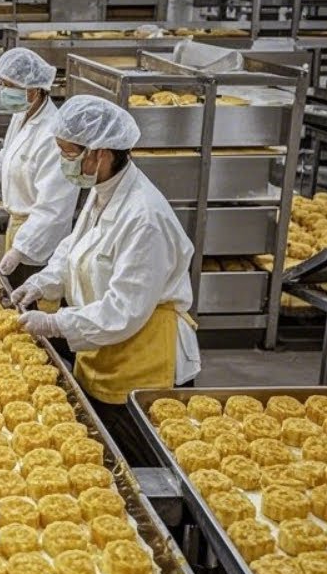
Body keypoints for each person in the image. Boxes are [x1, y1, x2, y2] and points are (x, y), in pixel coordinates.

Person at [10, 94, 199, 465]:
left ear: (100, 153)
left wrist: (54, 322)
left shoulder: (144, 217)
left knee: (141, 467)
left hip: (144, 358)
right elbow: (75, 249)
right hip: (108, 350)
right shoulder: (104, 191)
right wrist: (43, 283)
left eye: (68, 153)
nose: (64, 162)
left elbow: (123, 310)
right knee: (107, 456)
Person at [0, 48, 77, 287]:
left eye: (9, 86)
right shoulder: (21, 115)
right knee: (17, 293)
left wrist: (21, 250)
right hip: (18, 225)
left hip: (41, 238)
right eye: (2, 85)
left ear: (33, 89)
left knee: (36, 302)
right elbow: (5, 159)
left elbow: (53, 208)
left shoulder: (53, 135)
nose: (4, 92)